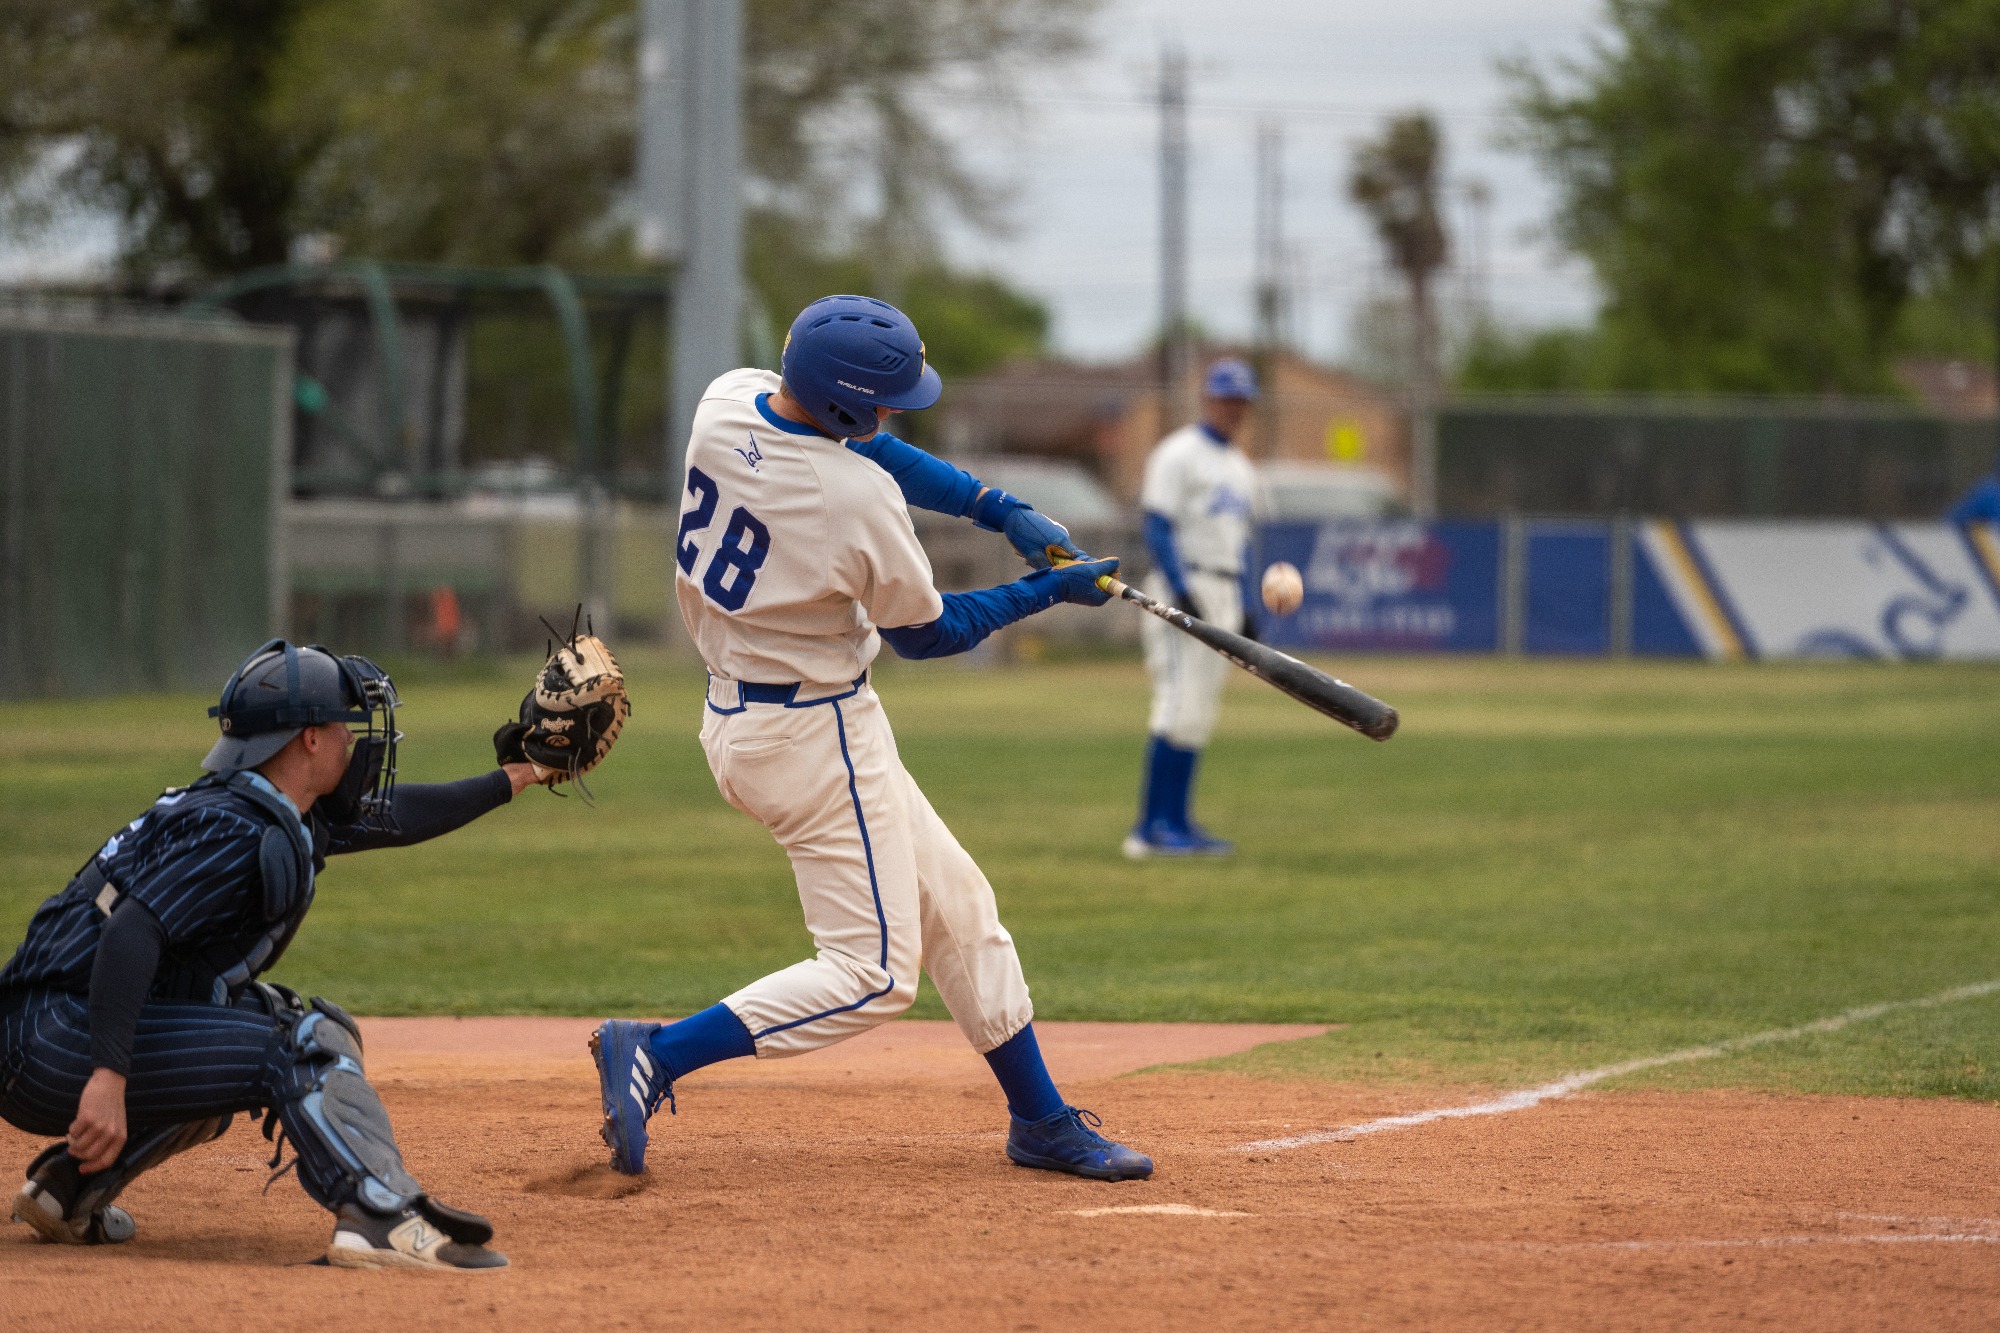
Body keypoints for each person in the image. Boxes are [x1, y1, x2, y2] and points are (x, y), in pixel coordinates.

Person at [589, 293, 1154, 1184]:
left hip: (749, 712)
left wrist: (995, 507)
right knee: (873, 974)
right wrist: (1048, 592)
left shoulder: (728, 398)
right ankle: (655, 1050)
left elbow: (870, 445)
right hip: (814, 737)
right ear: (847, 401)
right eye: (885, 398)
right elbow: (927, 633)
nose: (894, 413)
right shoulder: (848, 500)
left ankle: (1041, 1120)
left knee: (960, 905)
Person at [1, 641, 536, 1269]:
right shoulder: (237, 830)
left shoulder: (264, 808)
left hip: (49, 1026)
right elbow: (131, 934)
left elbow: (395, 815)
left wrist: (518, 776)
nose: (350, 738)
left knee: (257, 1017)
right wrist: (107, 1078)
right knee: (303, 1044)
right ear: (308, 738)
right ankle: (380, 1219)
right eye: (340, 723)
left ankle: (67, 1190)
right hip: (51, 1038)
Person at [1125, 358, 1261, 858]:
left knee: (1198, 712)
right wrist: (1179, 592)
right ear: (1208, 398)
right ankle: (1150, 829)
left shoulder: (1240, 467)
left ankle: (1178, 822)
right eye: (1227, 398)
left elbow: (1240, 543)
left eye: (1242, 400)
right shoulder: (1179, 453)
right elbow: (1157, 524)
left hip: (1222, 589)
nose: (1234, 408)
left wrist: (1245, 606)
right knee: (1178, 704)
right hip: (1185, 585)